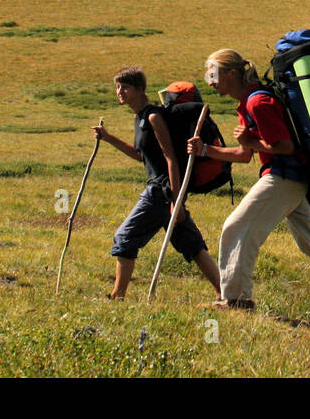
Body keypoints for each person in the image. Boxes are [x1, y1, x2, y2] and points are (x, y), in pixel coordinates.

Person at [187, 48, 310, 328]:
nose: (210, 81)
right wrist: (206, 150)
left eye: (213, 74)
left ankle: (236, 301)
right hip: (290, 178)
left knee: (235, 227)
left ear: (231, 73)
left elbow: (284, 147)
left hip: (284, 177)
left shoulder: (258, 102)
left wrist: (251, 143)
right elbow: (243, 154)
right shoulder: (248, 103)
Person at [91, 66, 221, 299]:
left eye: (125, 87)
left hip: (161, 192)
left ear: (140, 89)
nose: (120, 91)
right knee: (192, 245)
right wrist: (109, 138)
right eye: (117, 87)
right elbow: (142, 156)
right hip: (167, 192)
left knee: (124, 238)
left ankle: (117, 296)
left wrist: (176, 199)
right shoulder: (139, 117)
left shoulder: (153, 116)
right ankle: (227, 294)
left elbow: (171, 158)